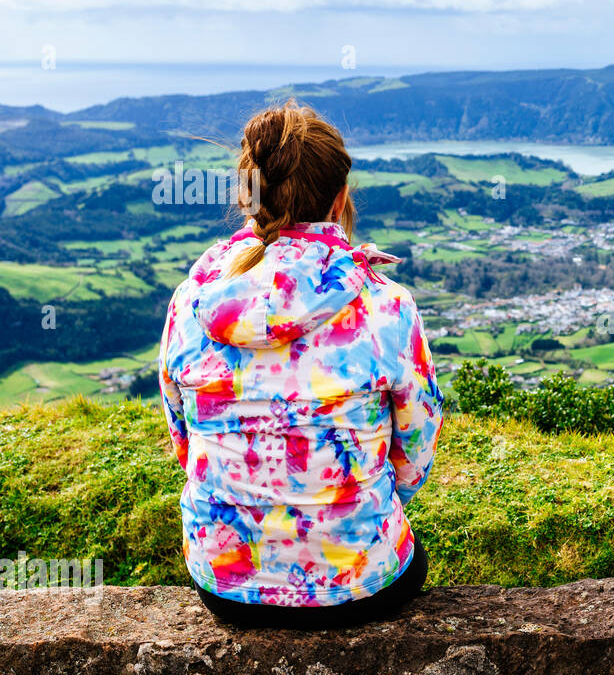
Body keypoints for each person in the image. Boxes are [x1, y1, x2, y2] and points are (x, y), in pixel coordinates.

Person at [158, 99, 443, 629]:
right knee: (409, 557)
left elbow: (184, 440)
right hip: (361, 583)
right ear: (339, 200)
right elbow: (414, 454)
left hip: (226, 584)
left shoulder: (191, 300)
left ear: (248, 197)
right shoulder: (386, 307)